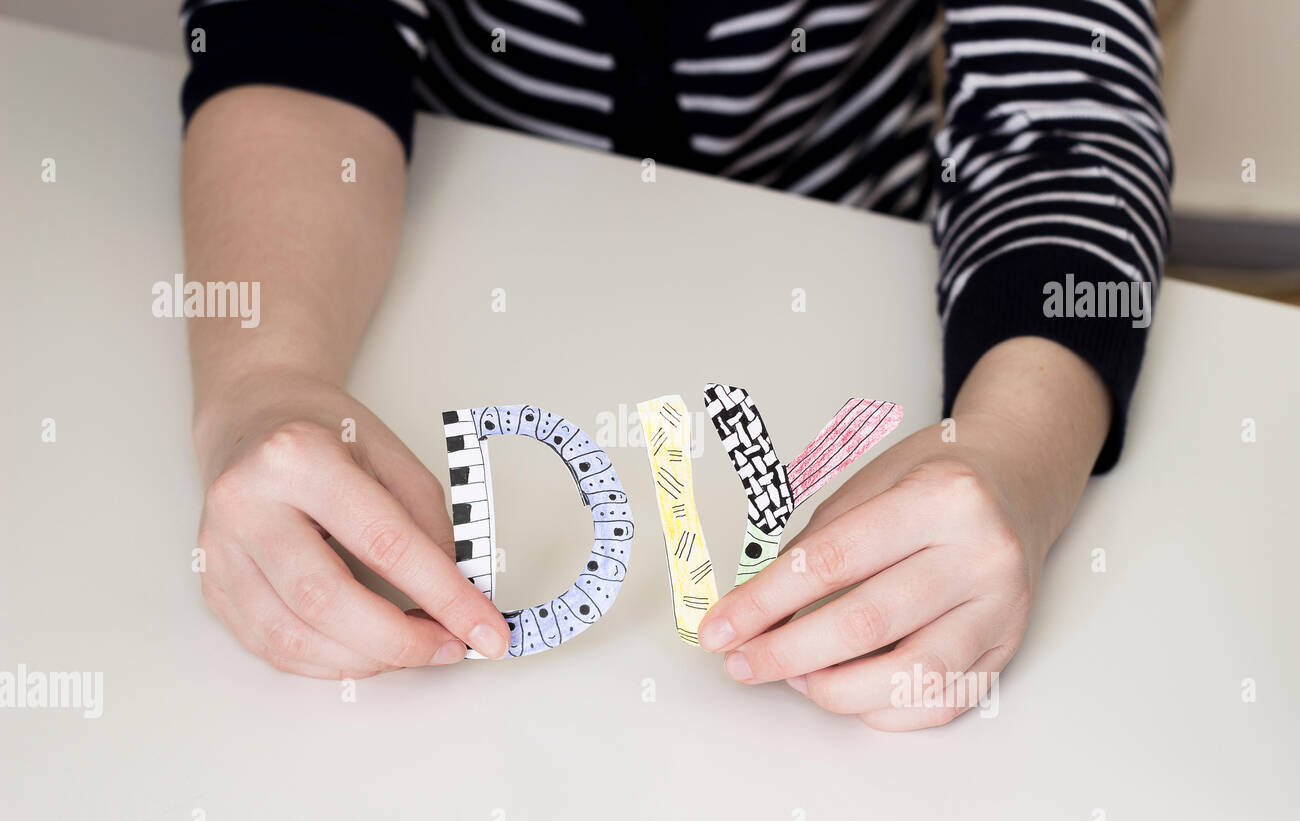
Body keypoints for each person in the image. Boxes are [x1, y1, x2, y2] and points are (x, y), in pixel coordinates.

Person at [178, 0, 1171, 730]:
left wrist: (1016, 449)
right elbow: (291, 36)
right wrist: (263, 380)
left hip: (857, 249)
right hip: (446, 242)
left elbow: (1063, 119)